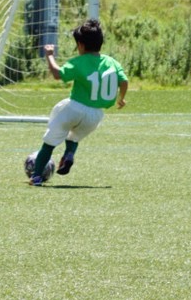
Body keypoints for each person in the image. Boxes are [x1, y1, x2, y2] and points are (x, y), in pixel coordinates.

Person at [28, 18, 127, 186]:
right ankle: (69, 154)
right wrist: (121, 98)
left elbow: (58, 74)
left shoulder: (79, 62)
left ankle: (36, 176)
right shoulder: (112, 62)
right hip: (95, 115)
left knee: (49, 143)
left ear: (80, 45)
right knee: (73, 137)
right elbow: (124, 81)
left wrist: (50, 56)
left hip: (74, 108)